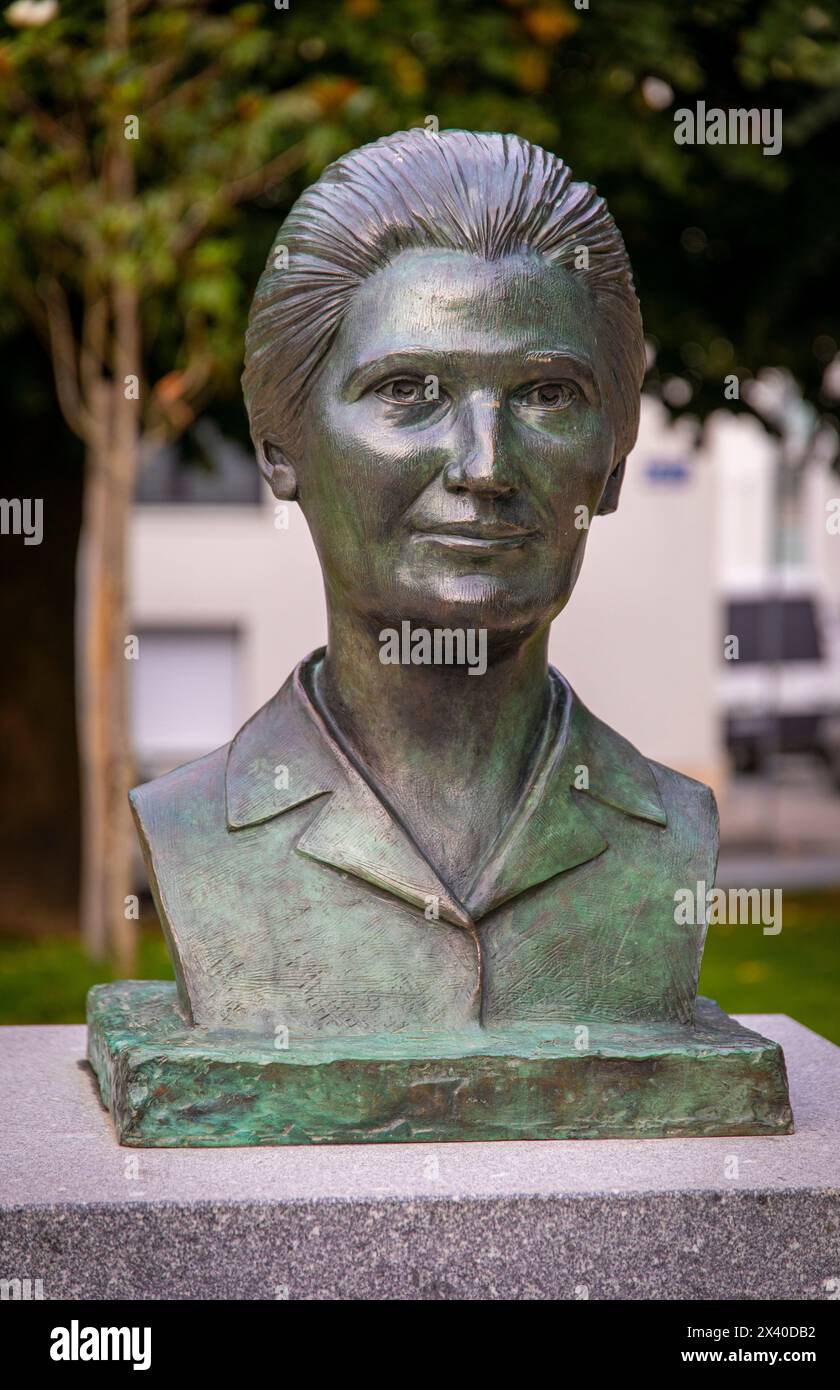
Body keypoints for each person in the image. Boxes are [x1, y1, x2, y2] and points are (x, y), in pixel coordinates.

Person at [131, 130, 718, 1036]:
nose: (484, 466)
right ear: (281, 450)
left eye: (546, 395)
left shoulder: (672, 832)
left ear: (612, 468)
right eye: (408, 390)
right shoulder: (192, 829)